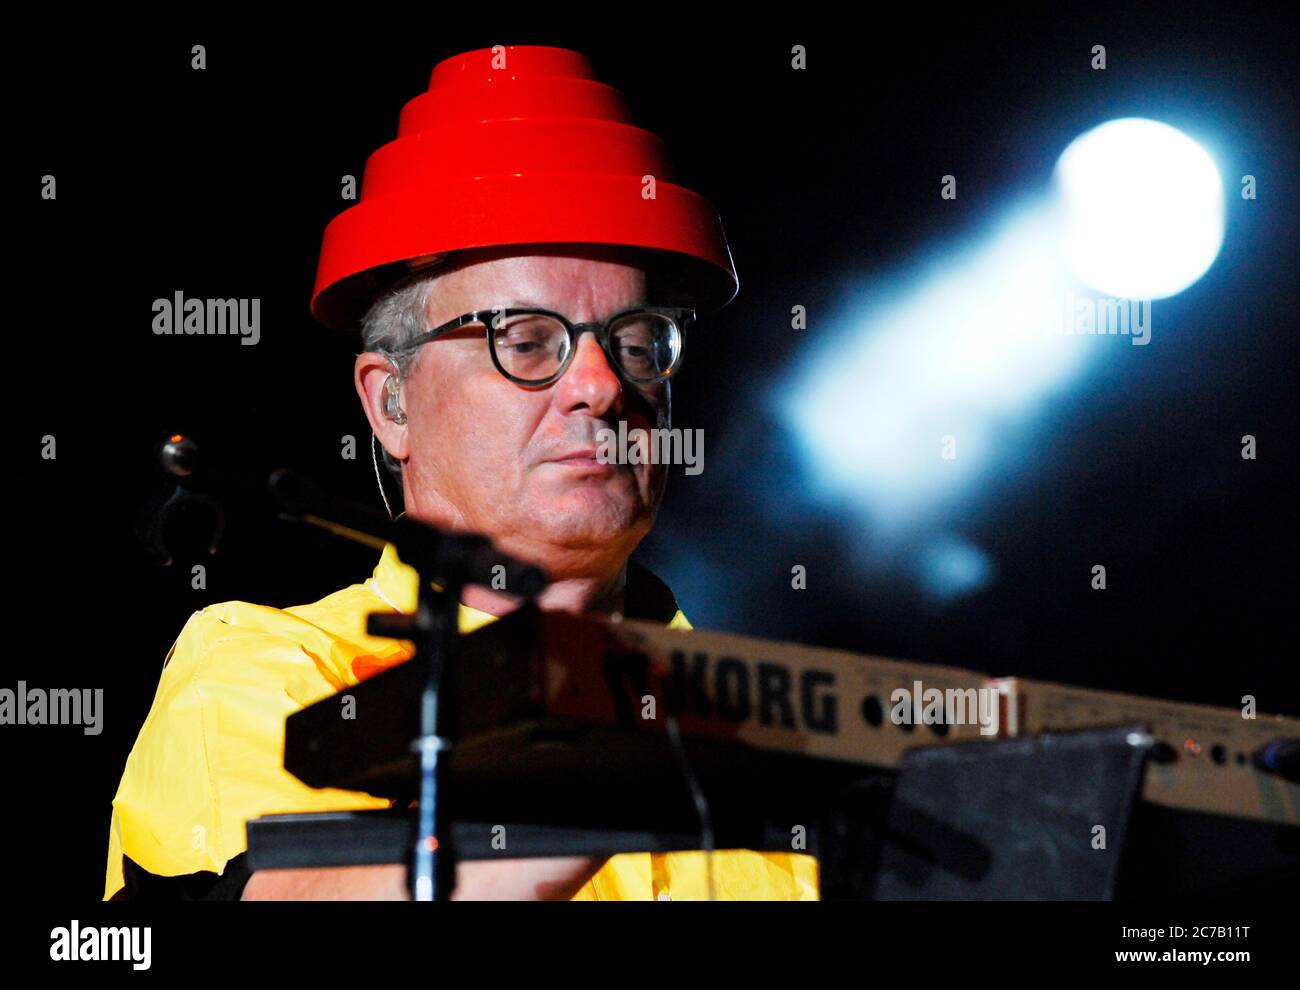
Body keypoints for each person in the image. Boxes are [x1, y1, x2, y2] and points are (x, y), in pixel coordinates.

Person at [103, 44, 819, 901]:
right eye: (523, 341)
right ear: (390, 403)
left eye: (635, 342)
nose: (600, 384)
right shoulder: (274, 674)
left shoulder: (770, 731)